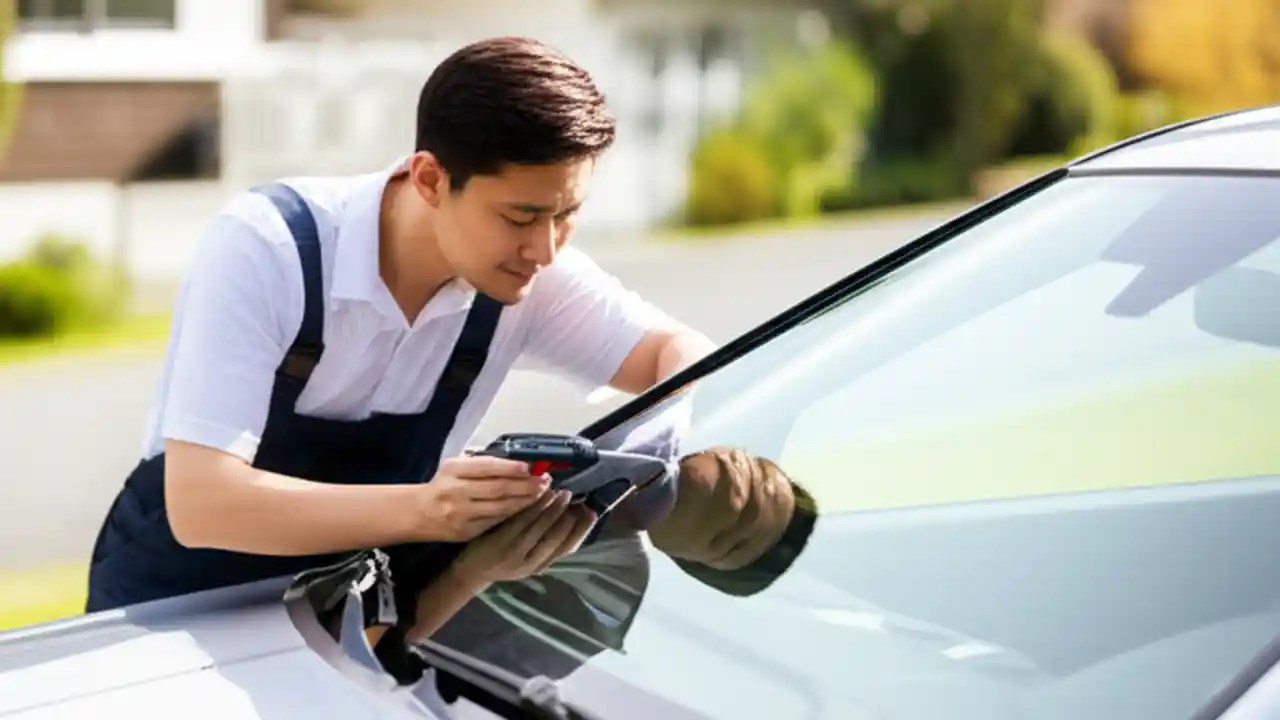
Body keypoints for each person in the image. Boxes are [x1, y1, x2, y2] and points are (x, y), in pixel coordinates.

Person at [84, 36, 714, 613]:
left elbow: (682, 352)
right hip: (164, 610)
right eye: (521, 217)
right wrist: (427, 509)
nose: (546, 249)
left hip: (332, 622)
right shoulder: (269, 247)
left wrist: (654, 456)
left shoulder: (531, 279)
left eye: (567, 214)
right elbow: (203, 507)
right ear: (431, 179)